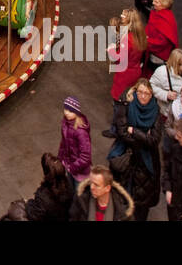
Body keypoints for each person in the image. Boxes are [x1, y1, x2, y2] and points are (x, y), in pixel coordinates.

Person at [105, 79, 161, 221]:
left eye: (146, 93)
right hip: (126, 156)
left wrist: (134, 131)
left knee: (141, 200)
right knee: (121, 193)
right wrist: (144, 137)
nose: (142, 96)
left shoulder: (155, 111)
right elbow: (122, 132)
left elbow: (154, 140)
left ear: (151, 95)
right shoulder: (126, 105)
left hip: (145, 162)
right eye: (140, 92)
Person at [2, 153, 74, 221]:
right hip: (63, 217)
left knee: (14, 210)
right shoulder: (70, 186)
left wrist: (27, 202)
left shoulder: (43, 196)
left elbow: (34, 215)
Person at [69, 164, 135, 221]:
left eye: (96, 185)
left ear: (107, 188)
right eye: (91, 182)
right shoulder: (81, 199)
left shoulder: (122, 208)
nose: (91, 187)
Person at [58, 96, 92, 184]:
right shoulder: (65, 123)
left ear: (76, 112)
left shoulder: (81, 132)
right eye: (66, 109)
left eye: (71, 111)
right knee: (71, 189)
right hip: (69, 165)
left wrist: (72, 168)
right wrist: (60, 159)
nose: (67, 113)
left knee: (79, 193)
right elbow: (64, 143)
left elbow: (85, 156)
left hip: (79, 172)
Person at [143, 0, 178, 71]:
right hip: (154, 52)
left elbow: (162, 42)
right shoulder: (158, 14)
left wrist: (146, 40)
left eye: (156, 2)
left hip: (158, 56)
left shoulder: (164, 19)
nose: (153, 3)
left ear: (164, 4)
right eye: (153, 1)